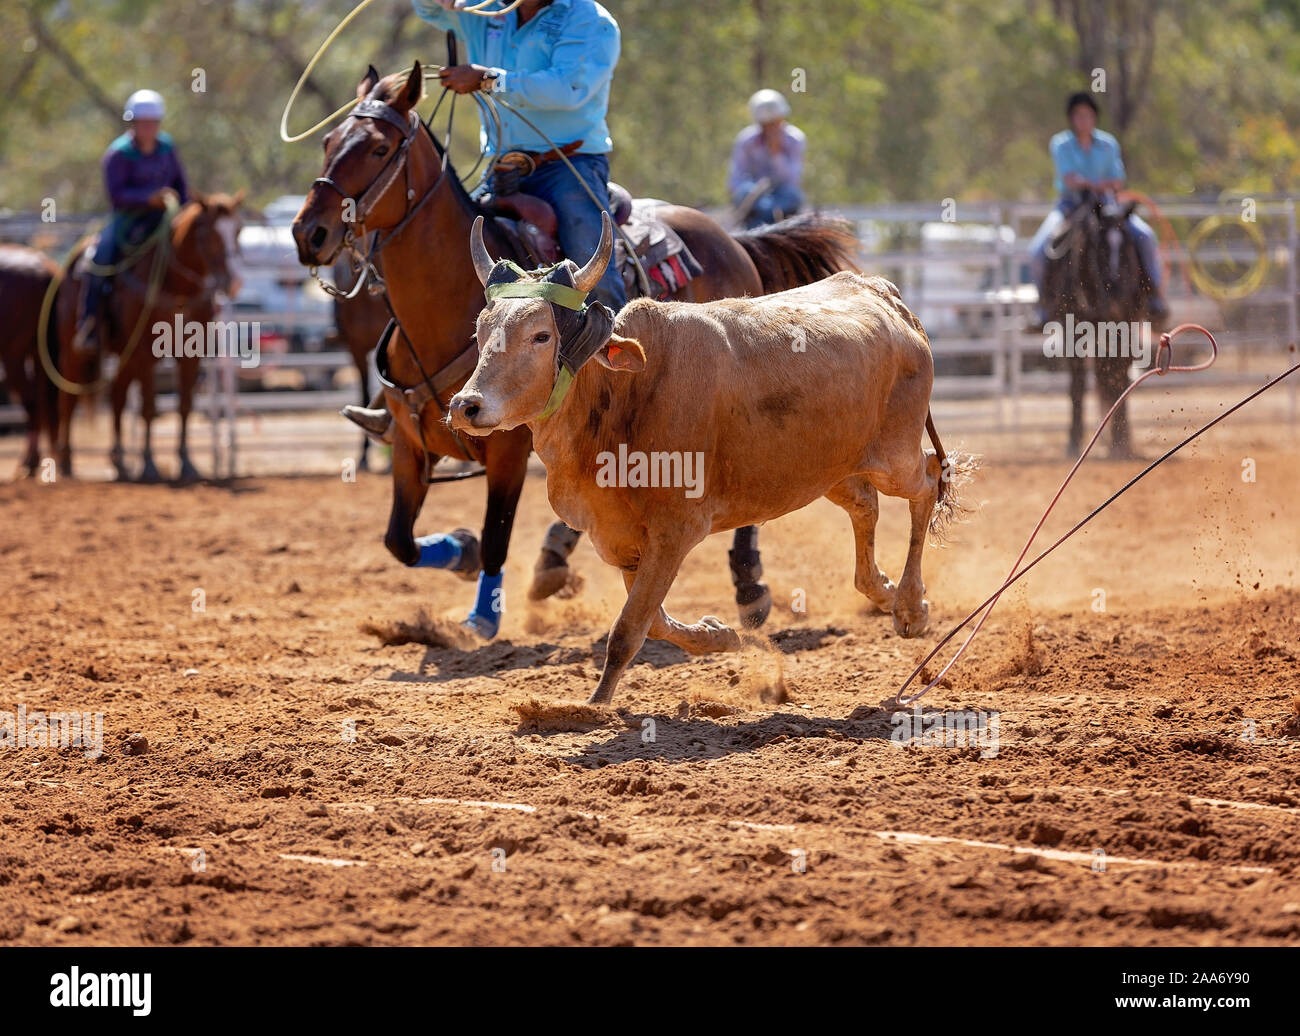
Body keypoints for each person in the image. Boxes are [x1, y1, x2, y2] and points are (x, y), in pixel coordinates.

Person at [345, 0, 625, 442]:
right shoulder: (486, 12)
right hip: (500, 171)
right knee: (440, 266)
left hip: (567, 166)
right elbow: (433, 11)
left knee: (594, 273)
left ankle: (622, 396)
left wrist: (490, 79)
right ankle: (403, 399)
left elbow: (571, 87)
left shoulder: (589, 21)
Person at [1029, 91, 1168, 326]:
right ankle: (1044, 305)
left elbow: (1117, 181)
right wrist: (1097, 184)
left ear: (1095, 118)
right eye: (1078, 116)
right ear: (1072, 119)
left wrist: (1093, 184)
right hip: (1071, 206)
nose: (1083, 120)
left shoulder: (1108, 144)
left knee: (1145, 235)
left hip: (1107, 206)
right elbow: (1071, 180)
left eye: (1088, 115)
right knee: (1037, 249)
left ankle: (1153, 295)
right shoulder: (1061, 144)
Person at [73, 89, 189, 357]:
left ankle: (198, 324)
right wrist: (148, 199)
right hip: (128, 220)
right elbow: (116, 194)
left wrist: (180, 204)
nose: (149, 128)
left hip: (165, 219)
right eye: (144, 122)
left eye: (153, 123)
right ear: (133, 124)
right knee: (99, 259)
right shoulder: (118, 154)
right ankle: (89, 322)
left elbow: (182, 185)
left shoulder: (168, 148)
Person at [727, 89, 805, 229]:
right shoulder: (746, 140)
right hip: (754, 194)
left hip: (782, 195)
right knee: (746, 191)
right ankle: (766, 225)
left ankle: (760, 228)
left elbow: (792, 180)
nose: (772, 129)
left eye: (775, 123)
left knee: (792, 195)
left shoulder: (795, 139)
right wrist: (749, 193)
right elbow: (736, 178)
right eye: (767, 124)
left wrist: (776, 154)